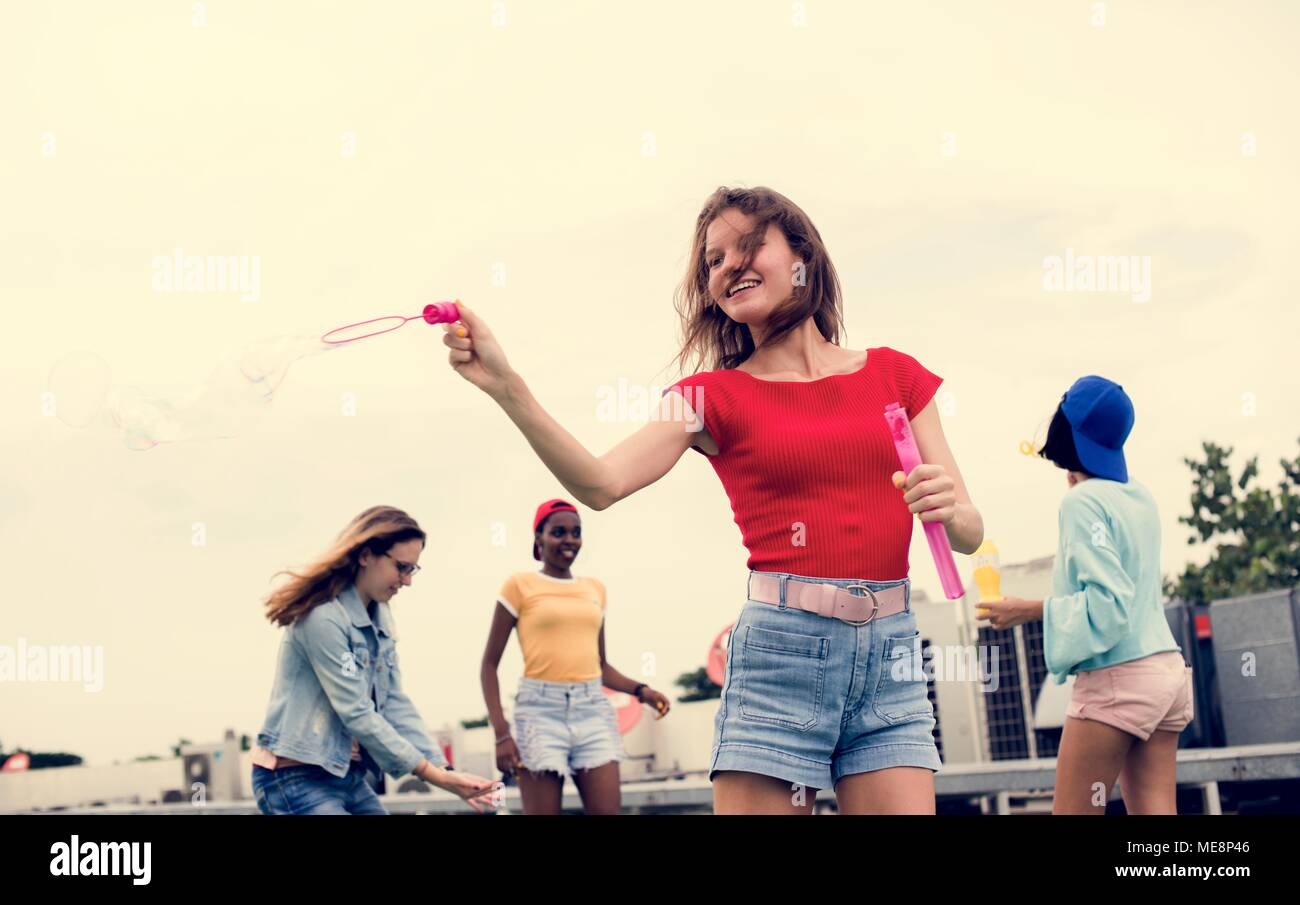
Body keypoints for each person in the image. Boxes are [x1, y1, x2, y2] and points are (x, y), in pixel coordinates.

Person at [441, 186, 983, 814]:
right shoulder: (708, 396)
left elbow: (968, 530)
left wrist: (951, 507)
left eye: (748, 245)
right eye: (714, 260)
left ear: (802, 254)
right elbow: (599, 483)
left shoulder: (897, 376)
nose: (729, 266)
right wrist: (509, 389)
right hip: (780, 656)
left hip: (890, 653)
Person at [977, 377, 1192, 814]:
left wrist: (1029, 610)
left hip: (1119, 679)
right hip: (1167, 674)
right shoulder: (1140, 496)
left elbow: (1109, 605)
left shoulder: (1081, 504)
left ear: (1064, 429)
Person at [251, 505, 501, 814]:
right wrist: (434, 777)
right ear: (366, 555)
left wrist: (442, 768)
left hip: (347, 776)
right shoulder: (323, 618)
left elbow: (394, 702)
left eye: (413, 570)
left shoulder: (380, 619)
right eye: (402, 567)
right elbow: (356, 711)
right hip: (293, 777)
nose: (407, 580)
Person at [481, 498, 671, 815]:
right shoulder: (519, 585)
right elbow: (489, 665)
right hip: (539, 713)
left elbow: (599, 665)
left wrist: (642, 691)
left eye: (576, 532)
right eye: (558, 532)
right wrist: (501, 734)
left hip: (593, 711)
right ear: (538, 538)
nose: (569, 540)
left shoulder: (594, 589)